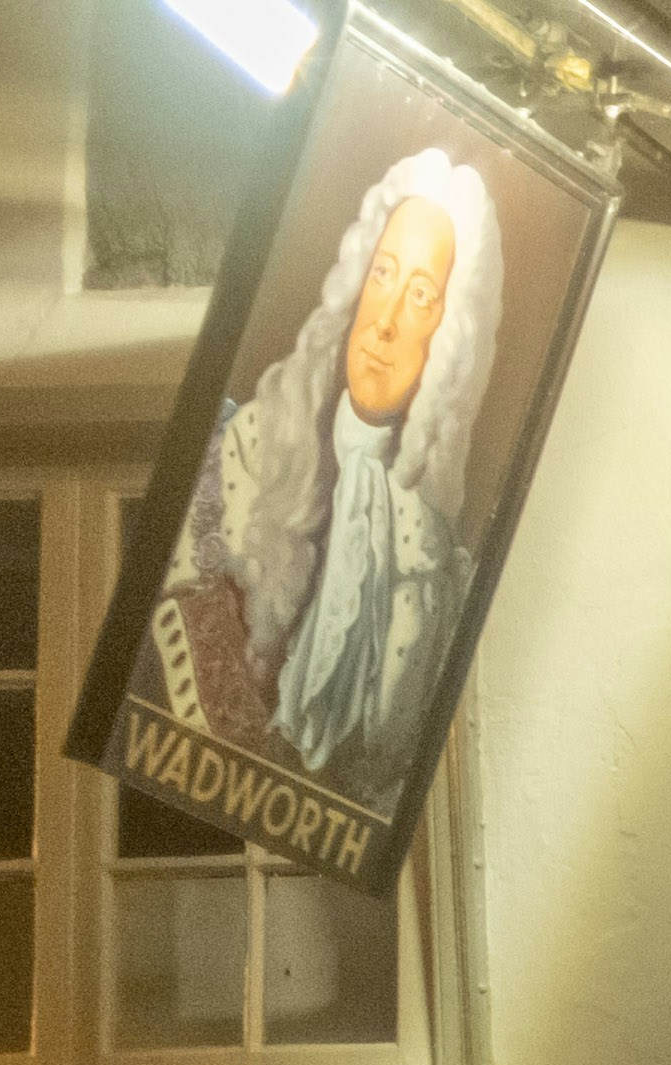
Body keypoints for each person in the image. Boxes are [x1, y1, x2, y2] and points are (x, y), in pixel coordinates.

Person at [155, 147, 506, 788]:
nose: (387, 322)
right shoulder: (243, 449)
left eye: (421, 296)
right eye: (383, 276)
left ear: (450, 338)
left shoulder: (433, 569)